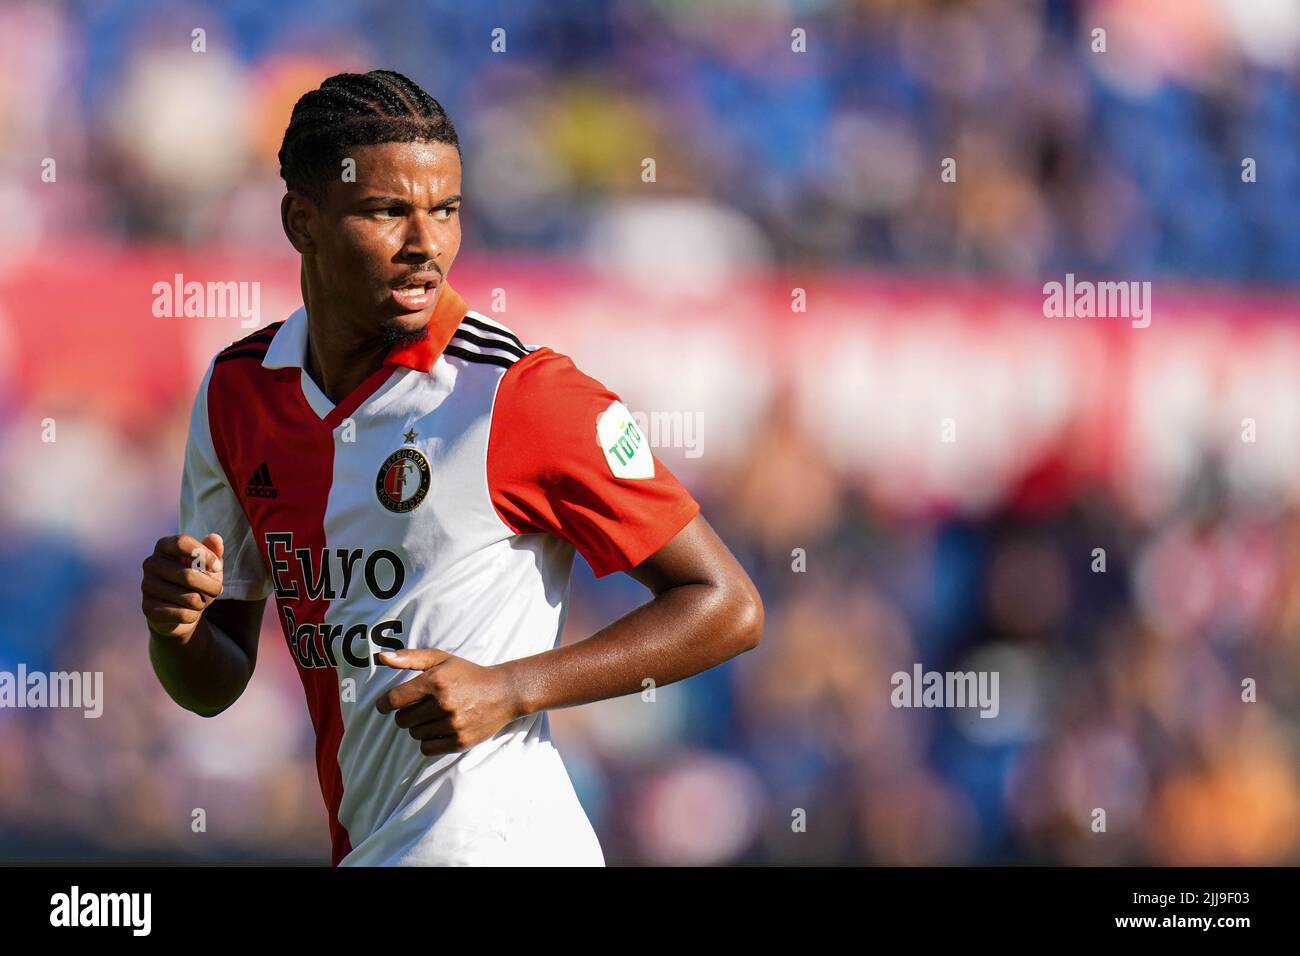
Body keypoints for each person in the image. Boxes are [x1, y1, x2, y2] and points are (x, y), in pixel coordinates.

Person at [139, 70, 763, 866]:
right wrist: (174, 630)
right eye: (387, 211)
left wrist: (511, 688)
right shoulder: (240, 392)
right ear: (303, 222)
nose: (426, 244)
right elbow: (212, 684)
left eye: (445, 211)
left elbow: (726, 605)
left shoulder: (518, 394)